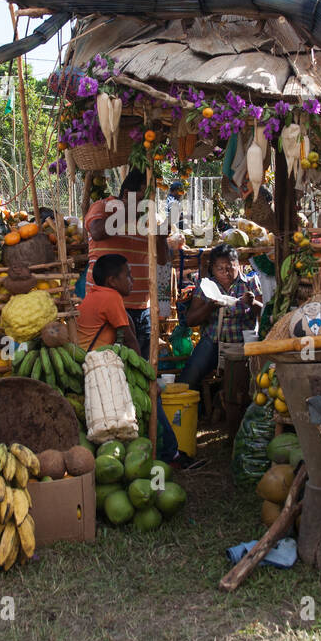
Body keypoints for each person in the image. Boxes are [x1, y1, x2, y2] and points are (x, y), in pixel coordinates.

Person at [79, 254, 204, 470]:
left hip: (95, 363)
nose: (132, 280)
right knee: (151, 394)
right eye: (127, 275)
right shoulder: (110, 297)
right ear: (112, 281)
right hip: (99, 368)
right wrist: (147, 374)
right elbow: (129, 338)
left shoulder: (95, 295)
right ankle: (170, 453)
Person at [85, 167, 183, 359]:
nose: (146, 203)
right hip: (107, 308)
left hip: (142, 310)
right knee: (109, 365)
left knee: (140, 368)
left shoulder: (150, 219)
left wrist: (161, 238)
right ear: (127, 194)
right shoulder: (103, 206)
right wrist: (130, 210)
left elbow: (162, 260)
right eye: (141, 197)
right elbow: (96, 231)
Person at [178, 244, 263, 393]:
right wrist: (209, 307)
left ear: (237, 265)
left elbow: (264, 313)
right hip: (213, 342)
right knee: (188, 379)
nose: (226, 273)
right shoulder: (206, 286)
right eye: (220, 269)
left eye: (230, 267)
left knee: (257, 381)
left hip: (243, 343)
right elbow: (191, 320)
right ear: (213, 268)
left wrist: (253, 302)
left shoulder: (250, 283)